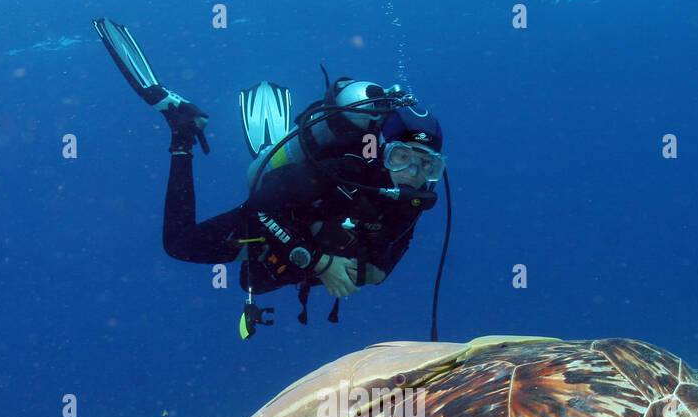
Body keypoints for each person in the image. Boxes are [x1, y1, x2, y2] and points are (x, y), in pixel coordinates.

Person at [94, 18, 446, 338]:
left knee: (256, 278)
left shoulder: (412, 197)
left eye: (426, 165)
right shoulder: (345, 170)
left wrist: (370, 269)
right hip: (276, 214)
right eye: (401, 158)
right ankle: (181, 130)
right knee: (180, 244)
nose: (411, 174)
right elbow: (261, 207)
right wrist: (322, 262)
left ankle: (269, 152)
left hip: (303, 243)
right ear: (380, 149)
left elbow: (393, 251)